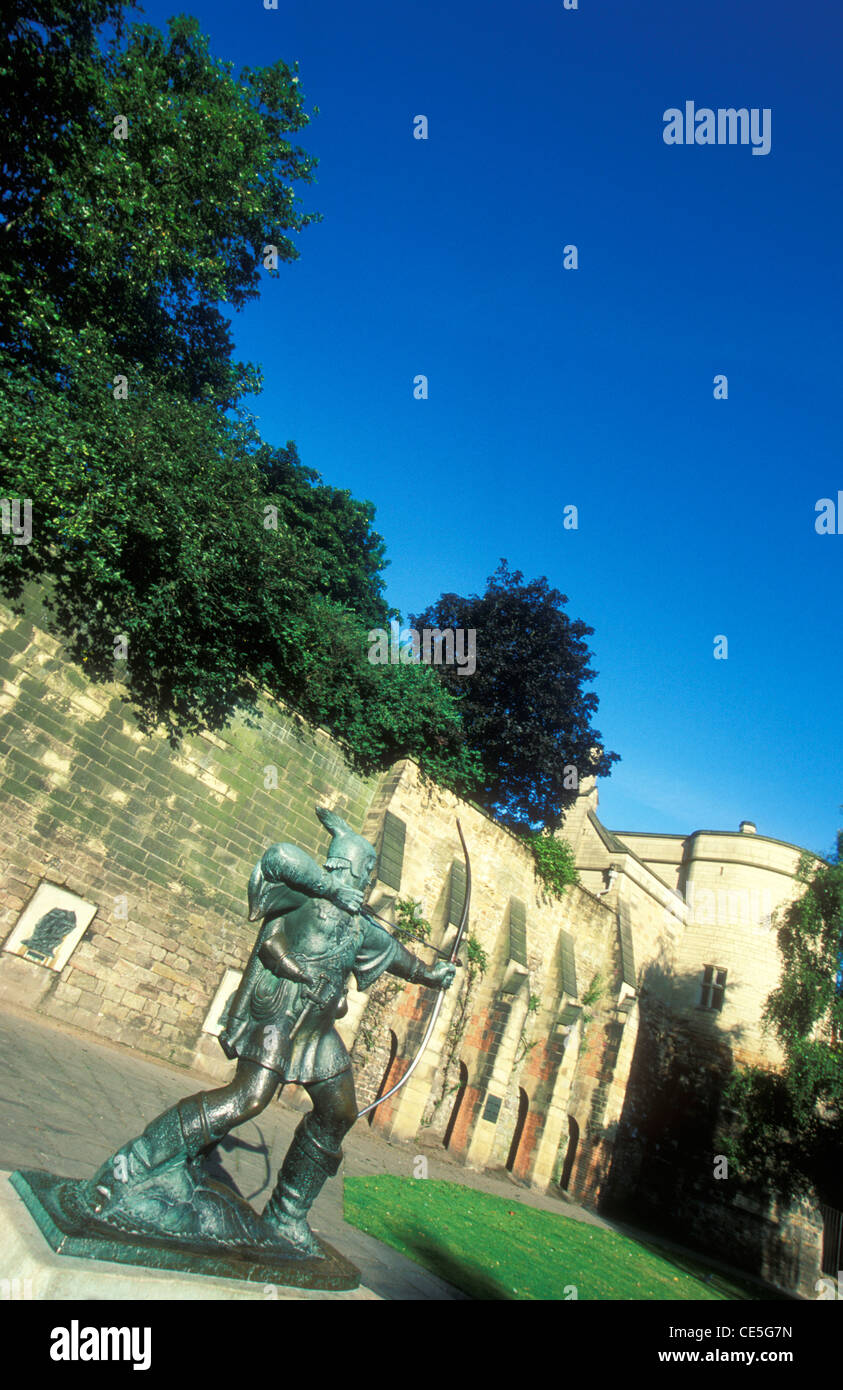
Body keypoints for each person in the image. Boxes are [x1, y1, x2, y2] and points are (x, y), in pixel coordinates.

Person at [83, 806, 455, 1256]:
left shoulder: (360, 926)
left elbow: (398, 956)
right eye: (362, 874)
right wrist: (331, 888)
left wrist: (432, 975)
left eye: (365, 877)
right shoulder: (304, 896)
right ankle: (137, 1160)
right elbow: (278, 857)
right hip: (278, 1017)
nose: (366, 883)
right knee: (248, 1098)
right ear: (346, 870)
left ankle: (286, 1216)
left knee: (338, 1113)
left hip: (317, 1034)